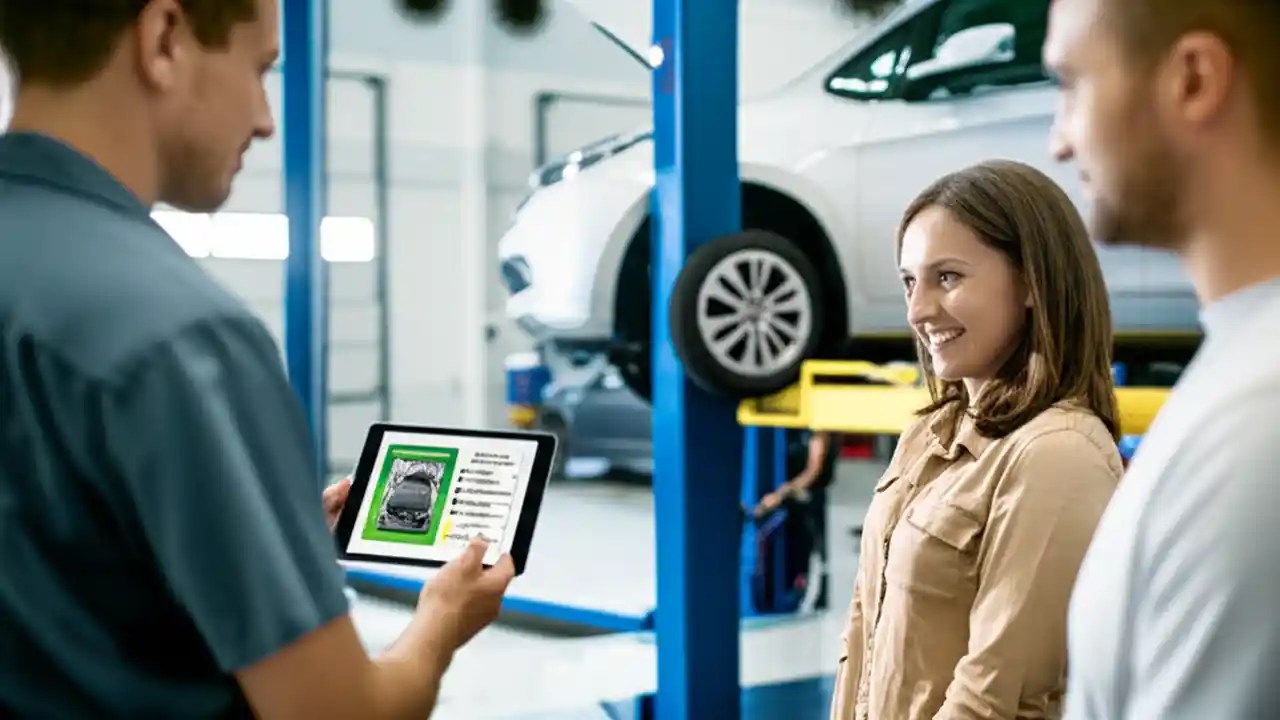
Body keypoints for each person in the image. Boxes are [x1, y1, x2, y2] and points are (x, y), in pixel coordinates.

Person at [0, 2, 514, 718]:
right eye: (260, 69)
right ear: (164, 39)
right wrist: (442, 621)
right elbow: (338, 715)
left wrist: (259, 536)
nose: (266, 119)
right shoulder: (180, 334)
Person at [1043, 1, 1280, 717]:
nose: (1058, 140)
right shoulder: (1239, 373)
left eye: (1072, 85)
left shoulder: (1256, 423)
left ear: (1193, 79)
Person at [830, 160, 1124, 719]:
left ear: (1032, 282)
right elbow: (861, 636)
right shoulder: (927, 434)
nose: (918, 311)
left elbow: (989, 698)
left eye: (947, 278)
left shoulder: (1057, 455)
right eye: (910, 281)